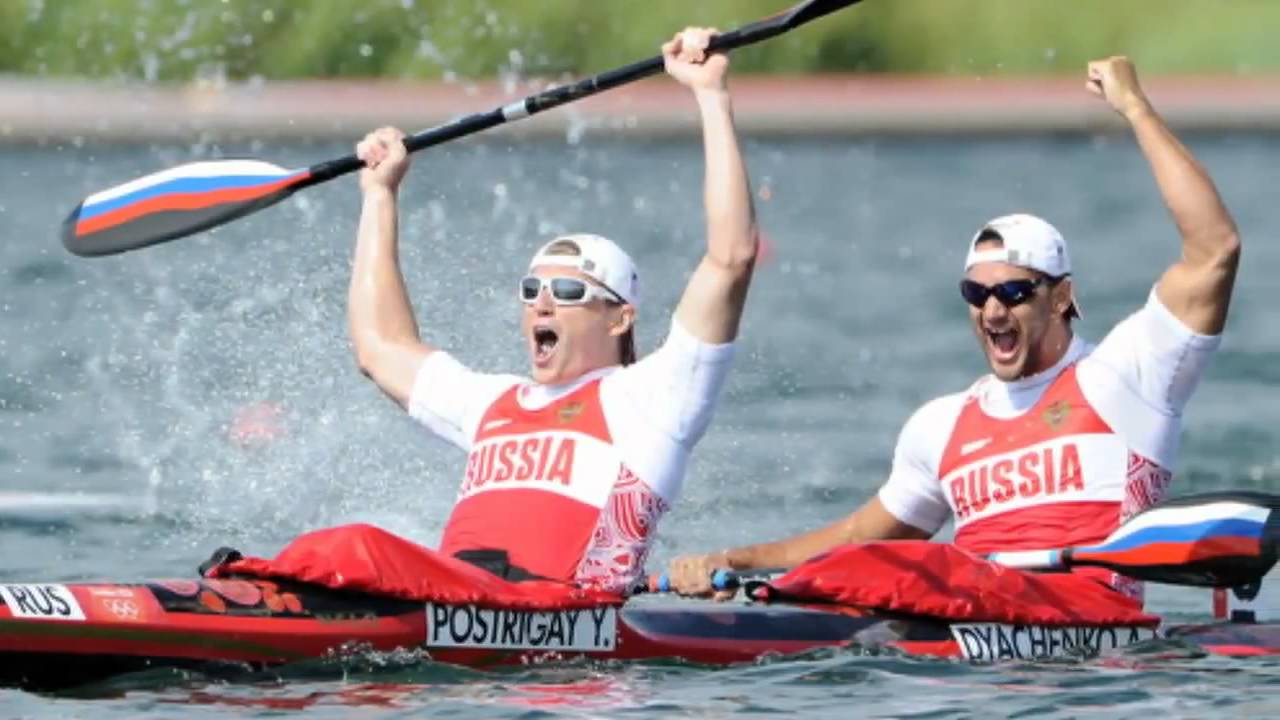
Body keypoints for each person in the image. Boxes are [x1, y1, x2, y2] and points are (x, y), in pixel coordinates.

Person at [668, 56, 1241, 601]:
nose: (993, 312)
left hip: (1090, 632)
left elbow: (1214, 249)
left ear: (1062, 296)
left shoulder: (1129, 373)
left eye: (1015, 293)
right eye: (977, 294)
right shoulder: (940, 426)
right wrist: (736, 562)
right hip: (969, 648)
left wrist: (1136, 108)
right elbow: (855, 541)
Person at [349, 28, 759, 594]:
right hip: (454, 610)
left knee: (359, 549)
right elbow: (379, 348)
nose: (542, 303)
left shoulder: (653, 399)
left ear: (620, 318)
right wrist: (379, 196)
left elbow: (731, 258)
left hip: (565, 632)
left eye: (568, 293)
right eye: (532, 291)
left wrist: (710, 95)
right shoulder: (491, 402)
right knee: (351, 550)